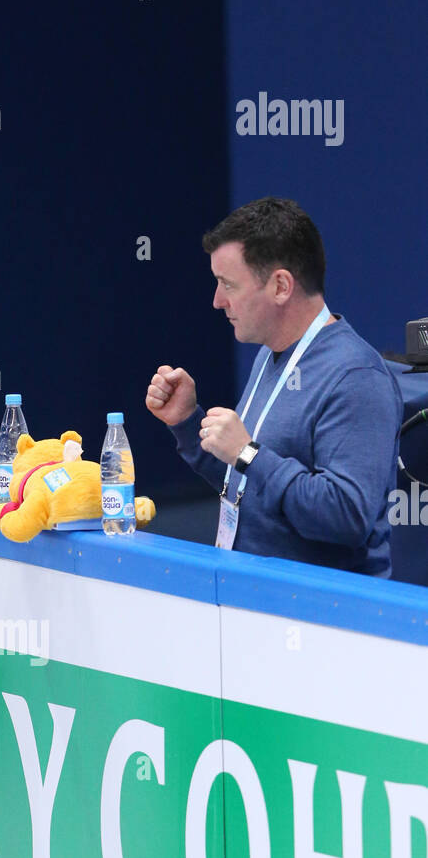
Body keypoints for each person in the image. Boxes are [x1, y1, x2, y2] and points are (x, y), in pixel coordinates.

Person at [146, 196, 403, 575]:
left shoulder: (357, 377)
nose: (217, 301)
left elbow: (346, 518)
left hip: (322, 618)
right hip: (258, 602)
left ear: (281, 286)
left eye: (227, 284)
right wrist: (186, 421)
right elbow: (253, 488)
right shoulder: (271, 355)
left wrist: (249, 453)